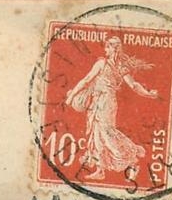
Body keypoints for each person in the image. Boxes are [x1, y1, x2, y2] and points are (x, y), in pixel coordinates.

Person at [63, 36, 158, 181]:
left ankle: (132, 161)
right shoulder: (104, 63)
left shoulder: (116, 66)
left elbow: (133, 85)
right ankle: (100, 169)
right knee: (96, 135)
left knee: (107, 133)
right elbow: (87, 79)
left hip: (107, 103)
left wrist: (148, 94)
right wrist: (73, 95)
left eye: (108, 47)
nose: (105, 50)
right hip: (96, 101)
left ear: (114, 48)